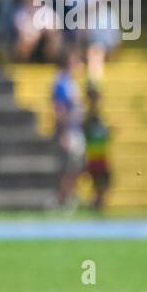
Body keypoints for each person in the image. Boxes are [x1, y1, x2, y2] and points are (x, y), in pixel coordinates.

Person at [52, 50, 85, 208]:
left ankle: (70, 195)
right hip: (69, 131)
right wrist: (63, 133)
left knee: (76, 165)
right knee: (69, 166)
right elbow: (60, 109)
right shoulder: (62, 81)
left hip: (75, 130)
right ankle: (63, 198)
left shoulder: (71, 81)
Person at [83, 84, 111, 211]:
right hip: (94, 155)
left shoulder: (96, 117)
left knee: (102, 182)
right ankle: (95, 204)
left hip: (100, 154)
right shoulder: (89, 117)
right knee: (99, 182)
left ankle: (96, 204)